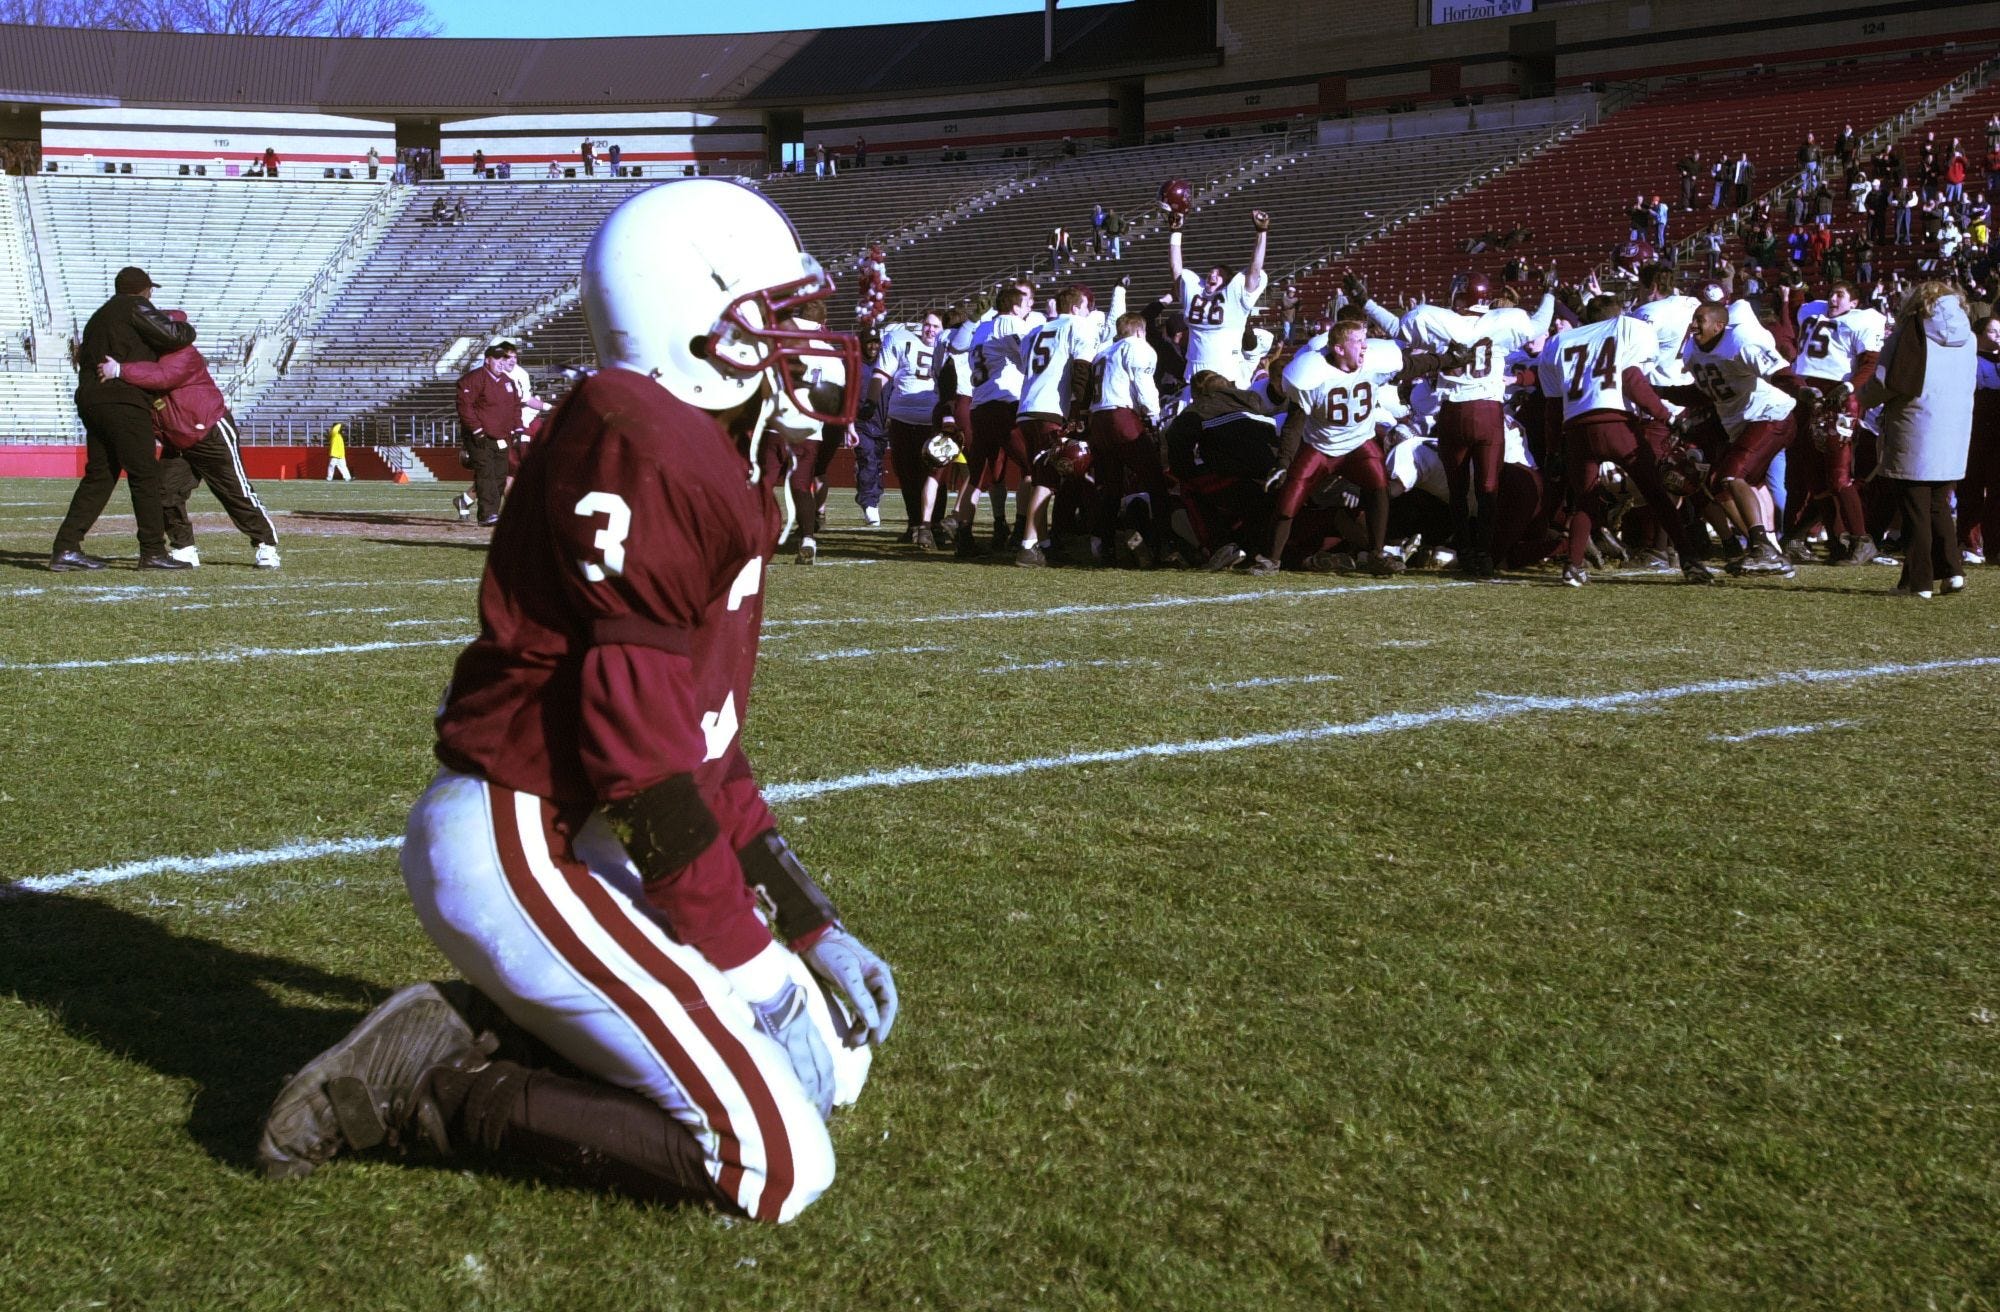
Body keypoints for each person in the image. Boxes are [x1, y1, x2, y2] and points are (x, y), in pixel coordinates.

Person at [256, 179, 896, 1224]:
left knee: (836, 1071)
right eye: (774, 317)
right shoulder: (645, 442)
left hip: (594, 823)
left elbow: (706, 739)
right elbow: (643, 762)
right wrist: (752, 964)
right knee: (778, 1164)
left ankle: (500, 1027)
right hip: (525, 831)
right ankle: (434, 1088)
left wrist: (810, 927)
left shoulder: (721, 446)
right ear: (693, 325)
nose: (804, 343)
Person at [1535, 295, 1712, 586]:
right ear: (1618, 314)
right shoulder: (1627, 328)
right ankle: (1689, 560)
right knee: (1656, 493)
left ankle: (1573, 566)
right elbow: (1631, 379)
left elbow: (1553, 408)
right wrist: (1666, 416)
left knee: (1585, 501)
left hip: (1577, 429)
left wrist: (1553, 450)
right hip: (1616, 423)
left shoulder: (1558, 342)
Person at [100, 309, 281, 569]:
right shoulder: (151, 358)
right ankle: (184, 547)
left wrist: (119, 369)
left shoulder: (185, 354)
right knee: (163, 492)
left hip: (210, 432)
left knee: (235, 492)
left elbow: (163, 377)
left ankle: (266, 544)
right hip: (177, 441)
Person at [49, 266, 198, 572]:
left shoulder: (99, 316)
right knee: (145, 475)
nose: (151, 295)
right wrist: (186, 327)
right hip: (123, 401)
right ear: (144, 289)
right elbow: (173, 335)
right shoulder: (135, 307)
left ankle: (66, 547)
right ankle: (153, 551)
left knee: (101, 476)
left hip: (92, 400)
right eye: (150, 290)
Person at [1860, 281, 1977, 597]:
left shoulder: (1910, 331)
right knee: (1938, 503)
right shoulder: (1968, 336)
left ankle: (1919, 582)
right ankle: (1952, 571)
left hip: (1914, 424)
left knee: (1915, 506)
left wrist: (1862, 398)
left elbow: (1887, 380)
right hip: (1954, 427)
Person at [1166, 206, 1270, 393]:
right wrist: (1175, 233)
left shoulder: (1235, 295)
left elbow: (1254, 271)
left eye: (1219, 274)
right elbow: (1176, 270)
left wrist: (1261, 232)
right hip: (1195, 375)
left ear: (1227, 281)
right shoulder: (1195, 291)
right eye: (1211, 272)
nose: (1212, 275)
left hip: (1227, 375)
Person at [454, 345, 523, 524]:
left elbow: (515, 407)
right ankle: (487, 514)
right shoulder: (473, 379)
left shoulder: (508, 382)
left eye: (504, 359)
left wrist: (518, 428)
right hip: (480, 437)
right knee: (486, 473)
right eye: (497, 359)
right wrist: (476, 429)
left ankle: (492, 512)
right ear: (487, 360)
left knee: (500, 475)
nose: (501, 363)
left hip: (502, 437)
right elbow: (465, 406)